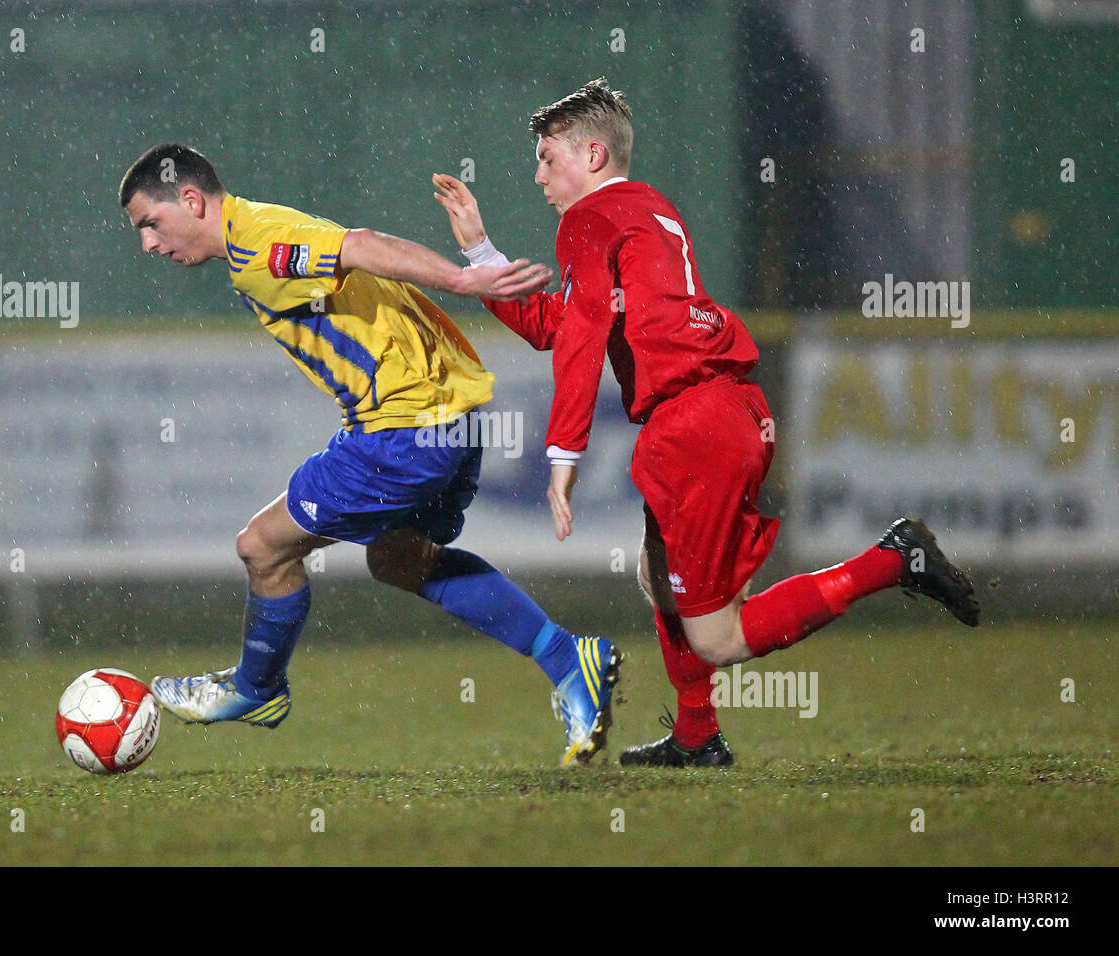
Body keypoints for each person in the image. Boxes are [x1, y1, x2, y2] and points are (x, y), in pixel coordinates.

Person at [433, 80, 979, 768]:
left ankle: (892, 560)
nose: (539, 175)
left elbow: (577, 342)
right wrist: (481, 253)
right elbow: (564, 324)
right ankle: (697, 736)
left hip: (692, 426)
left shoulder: (590, 220)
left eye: (548, 158)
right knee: (657, 578)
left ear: (593, 154)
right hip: (725, 410)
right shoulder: (646, 210)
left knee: (718, 637)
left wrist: (563, 456)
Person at [117, 143, 622, 767]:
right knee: (401, 558)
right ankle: (568, 658)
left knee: (262, 548)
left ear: (190, 200)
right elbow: (352, 252)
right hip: (454, 419)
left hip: (402, 430)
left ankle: (256, 690)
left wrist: (464, 280)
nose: (147, 244)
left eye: (149, 224)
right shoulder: (262, 225)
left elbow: (358, 244)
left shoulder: (255, 249)